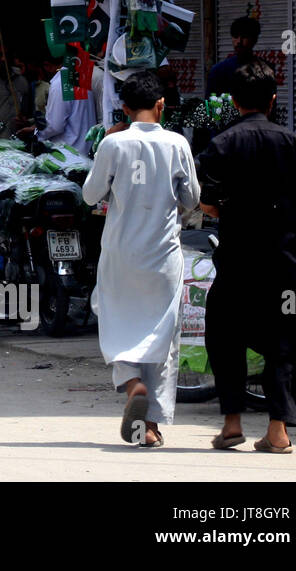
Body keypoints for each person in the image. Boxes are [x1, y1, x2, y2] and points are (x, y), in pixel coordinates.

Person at [197, 60, 296, 453]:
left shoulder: (221, 144)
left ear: (234, 101)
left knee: (225, 338)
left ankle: (232, 422)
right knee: (281, 343)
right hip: (284, 264)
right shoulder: (291, 142)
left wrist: (232, 210)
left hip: (237, 263)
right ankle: (277, 430)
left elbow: (208, 204)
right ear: (272, 100)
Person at [81, 71, 201, 448]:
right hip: (164, 256)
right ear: (161, 105)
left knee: (117, 323)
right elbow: (193, 198)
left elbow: (89, 195)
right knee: (162, 337)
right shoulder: (177, 144)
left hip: (120, 254)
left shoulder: (113, 144)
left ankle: (132, 383)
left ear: (125, 108)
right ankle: (151, 426)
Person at [207, 15, 260, 96]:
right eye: (235, 36)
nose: (239, 41)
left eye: (244, 36)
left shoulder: (265, 71)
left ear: (254, 39)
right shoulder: (219, 71)